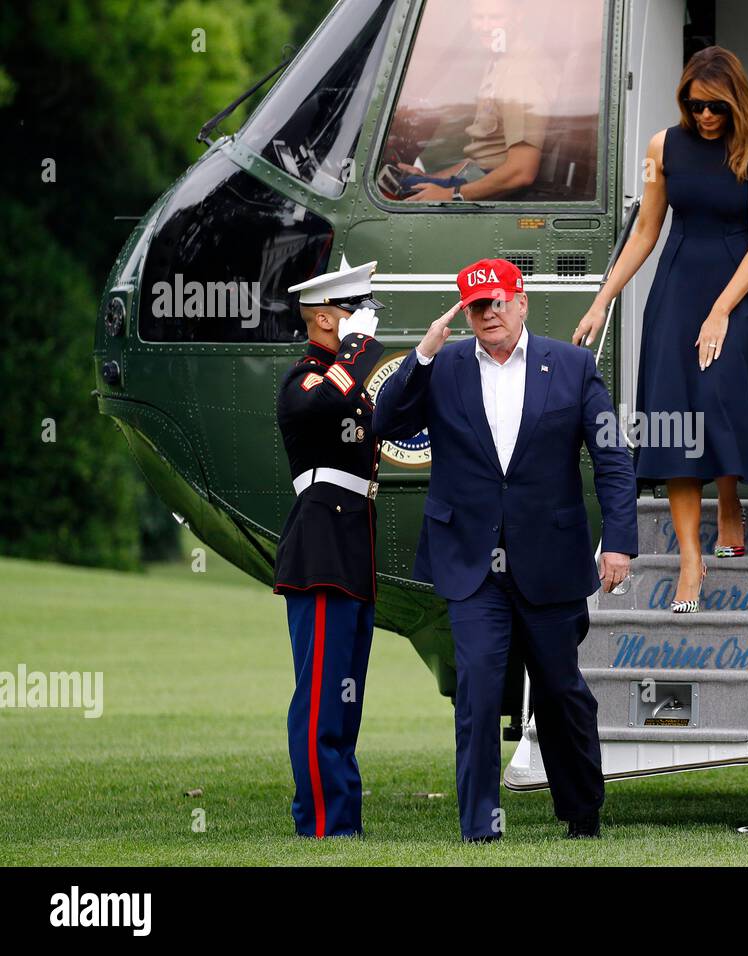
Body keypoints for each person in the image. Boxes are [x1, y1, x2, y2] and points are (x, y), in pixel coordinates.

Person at [373, 257, 637, 842]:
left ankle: (581, 816)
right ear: (464, 313)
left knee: (561, 690)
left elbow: (613, 457)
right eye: (476, 305)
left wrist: (618, 541)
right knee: (478, 688)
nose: (488, 312)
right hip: (471, 564)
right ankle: (479, 828)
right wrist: (420, 355)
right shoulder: (440, 369)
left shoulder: (572, 366)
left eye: (497, 301)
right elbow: (384, 423)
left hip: (551, 560)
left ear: (521, 302)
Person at [572, 45, 748, 613]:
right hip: (677, 286)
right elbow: (645, 230)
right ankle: (692, 560)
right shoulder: (661, 146)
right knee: (674, 417)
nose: (705, 116)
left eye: (715, 106)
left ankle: (730, 495)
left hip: (741, 287)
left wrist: (721, 311)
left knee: (718, 397)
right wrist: (603, 299)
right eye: (694, 106)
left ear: (733, 100)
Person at [274, 259, 389, 838]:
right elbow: (322, 403)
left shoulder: (341, 380)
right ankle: (321, 821)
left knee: (345, 699)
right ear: (325, 317)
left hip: (350, 551)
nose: (360, 318)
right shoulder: (305, 380)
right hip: (320, 552)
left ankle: (341, 816)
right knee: (320, 699)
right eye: (351, 309)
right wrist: (355, 349)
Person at [399, 0, 551, 202]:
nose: (486, 26)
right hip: (479, 175)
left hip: (499, 192)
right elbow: (482, 157)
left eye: (496, 17)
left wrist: (449, 196)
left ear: (518, 16)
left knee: (399, 192)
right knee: (408, 183)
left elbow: (521, 171)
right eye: (479, 17)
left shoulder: (519, 74)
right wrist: (430, 179)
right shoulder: (499, 61)